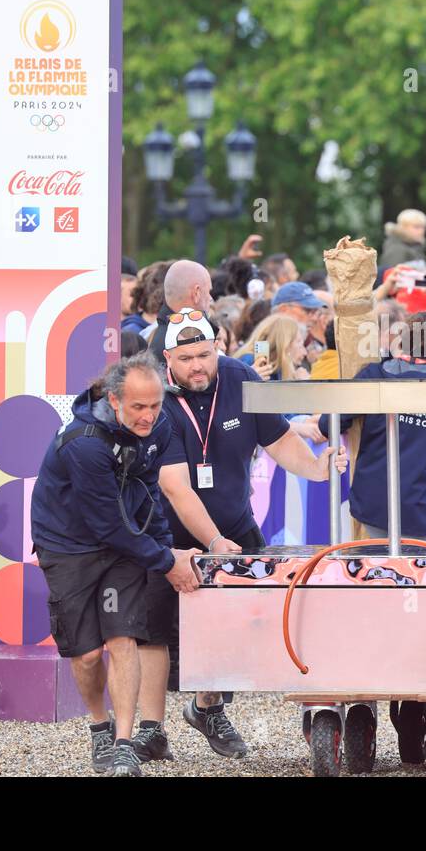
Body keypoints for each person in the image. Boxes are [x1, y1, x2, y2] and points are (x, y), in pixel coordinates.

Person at [138, 310, 346, 761]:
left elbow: (279, 437)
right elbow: (174, 486)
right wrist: (211, 543)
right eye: (187, 357)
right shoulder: (156, 395)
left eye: (206, 354)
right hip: (164, 529)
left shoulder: (242, 377)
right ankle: (151, 729)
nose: (198, 366)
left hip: (234, 521)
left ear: (219, 348)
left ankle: (207, 707)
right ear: (167, 357)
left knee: (240, 622)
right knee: (152, 632)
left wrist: (316, 469)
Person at [30, 354, 200, 777]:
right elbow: (107, 523)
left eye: (155, 405)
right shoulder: (85, 443)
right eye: (138, 407)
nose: (148, 416)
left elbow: (147, 491)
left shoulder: (159, 426)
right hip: (69, 545)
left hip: (123, 549)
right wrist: (166, 561)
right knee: (87, 655)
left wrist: (162, 544)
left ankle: (124, 744)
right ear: (114, 399)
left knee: (123, 640)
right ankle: (100, 728)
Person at [342, 311, 426, 540]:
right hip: (420, 501)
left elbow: (332, 420)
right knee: (413, 572)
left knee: (381, 571)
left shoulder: (374, 374)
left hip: (375, 499)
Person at [149, 259, 212, 364]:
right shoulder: (177, 343)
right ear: (196, 293)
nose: (210, 298)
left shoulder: (161, 338)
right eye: (209, 292)